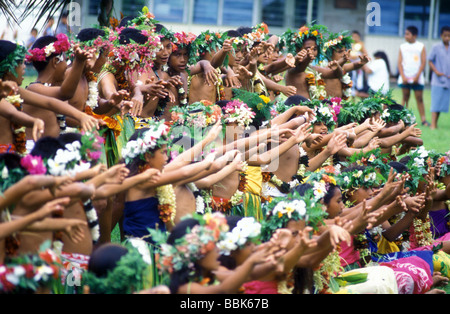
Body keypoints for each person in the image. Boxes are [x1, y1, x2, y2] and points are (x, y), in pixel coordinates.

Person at [397, 26, 428, 126]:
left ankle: (423, 120)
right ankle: (401, 119)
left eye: (407, 34)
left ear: (414, 35)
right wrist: (403, 76)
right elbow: (399, 62)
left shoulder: (421, 46)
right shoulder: (402, 47)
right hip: (405, 76)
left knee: (419, 98)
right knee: (405, 97)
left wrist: (417, 76)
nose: (405, 36)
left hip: (417, 77)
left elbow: (423, 62)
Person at [428, 26, 450, 130]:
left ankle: (435, 123)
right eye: (445, 35)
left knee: (442, 104)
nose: (447, 38)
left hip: (448, 80)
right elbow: (430, 60)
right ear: (441, 35)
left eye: (449, 36)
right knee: (436, 102)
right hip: (437, 80)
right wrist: (436, 71)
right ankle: (432, 125)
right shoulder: (436, 47)